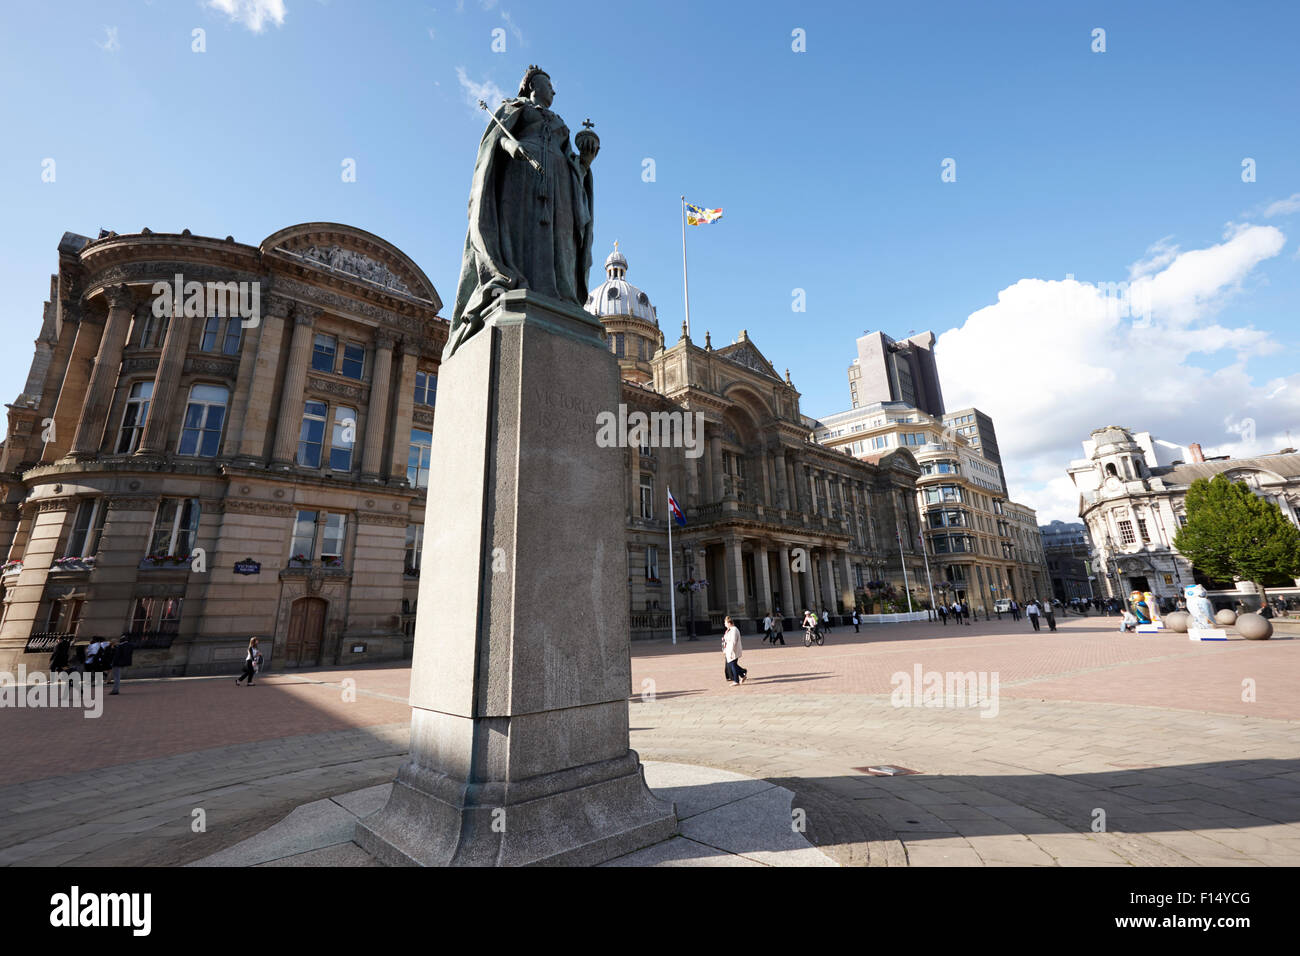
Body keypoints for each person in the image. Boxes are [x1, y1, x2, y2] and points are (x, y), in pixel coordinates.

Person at [722, 616, 746, 685]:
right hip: (729, 650)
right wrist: (725, 650)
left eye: (725, 622)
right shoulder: (729, 630)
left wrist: (731, 651)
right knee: (733, 665)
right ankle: (743, 674)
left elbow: (733, 641)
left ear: (729, 623)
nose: (724, 624)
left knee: (732, 665)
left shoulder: (734, 629)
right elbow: (726, 641)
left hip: (733, 650)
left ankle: (736, 680)